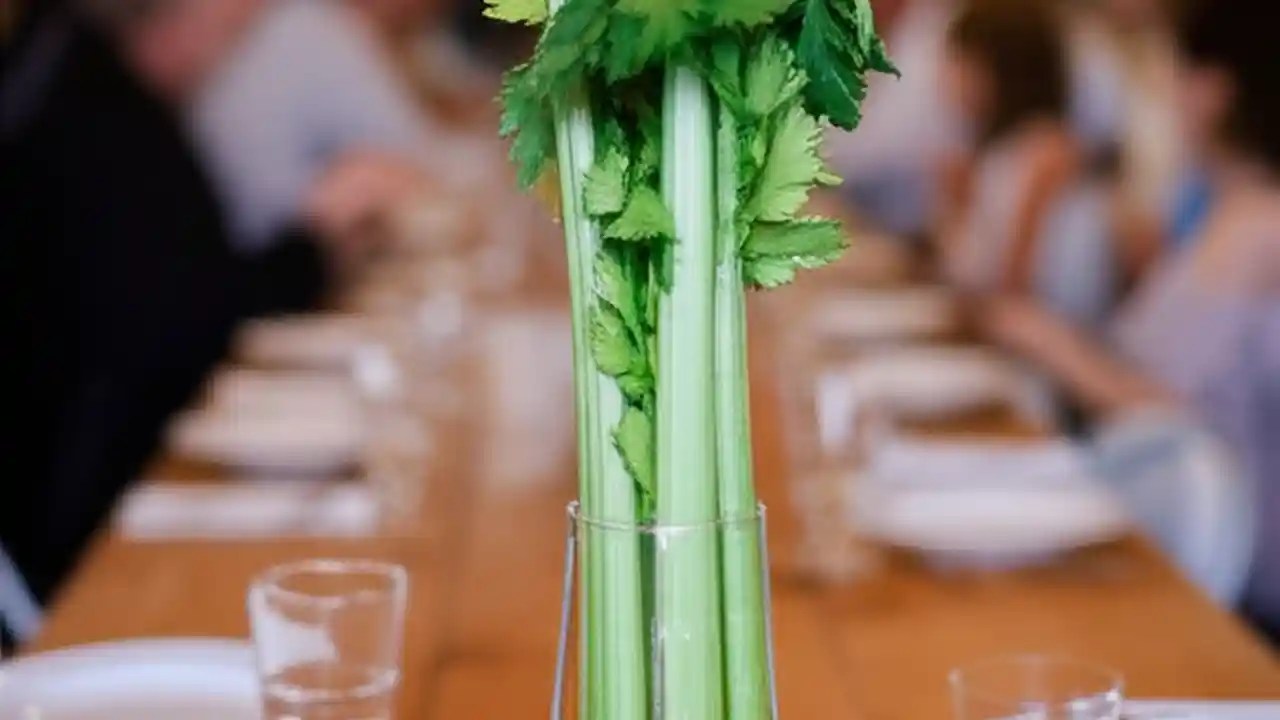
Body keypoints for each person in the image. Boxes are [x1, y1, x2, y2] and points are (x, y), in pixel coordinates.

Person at [0, 0, 328, 601]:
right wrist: (315, 238)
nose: (228, 57)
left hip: (93, 490)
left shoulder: (64, 77)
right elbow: (196, 323)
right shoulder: (102, 115)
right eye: (230, 33)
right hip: (83, 535)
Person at [982, 0, 1280, 632]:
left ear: (1213, 91)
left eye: (1177, 75)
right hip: (1170, 542)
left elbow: (1182, 418)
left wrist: (1050, 343)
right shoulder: (1221, 210)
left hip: (1228, 585)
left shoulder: (1257, 227)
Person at [189, 0, 443, 254]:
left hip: (248, 253)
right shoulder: (311, 25)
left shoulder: (269, 30)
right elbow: (410, 149)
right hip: (284, 256)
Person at [939, 0, 1116, 327]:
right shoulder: (997, 152)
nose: (948, 79)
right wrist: (954, 207)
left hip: (1040, 353)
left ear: (1001, 69)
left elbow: (1010, 292)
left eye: (963, 64)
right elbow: (966, 275)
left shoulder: (1047, 154)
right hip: (1004, 337)